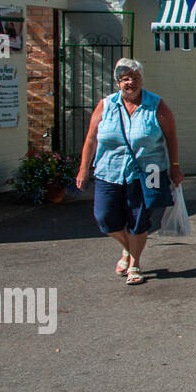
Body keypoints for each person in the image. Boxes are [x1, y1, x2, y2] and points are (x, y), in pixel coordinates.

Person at [75, 58, 184, 286]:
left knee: (139, 220)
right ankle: (127, 248)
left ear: (141, 80)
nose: (130, 83)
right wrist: (83, 169)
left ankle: (134, 263)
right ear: (118, 82)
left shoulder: (157, 105)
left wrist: (174, 167)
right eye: (125, 79)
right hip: (109, 171)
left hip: (148, 171)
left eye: (134, 78)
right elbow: (92, 138)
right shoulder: (106, 105)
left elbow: (171, 138)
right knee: (105, 218)